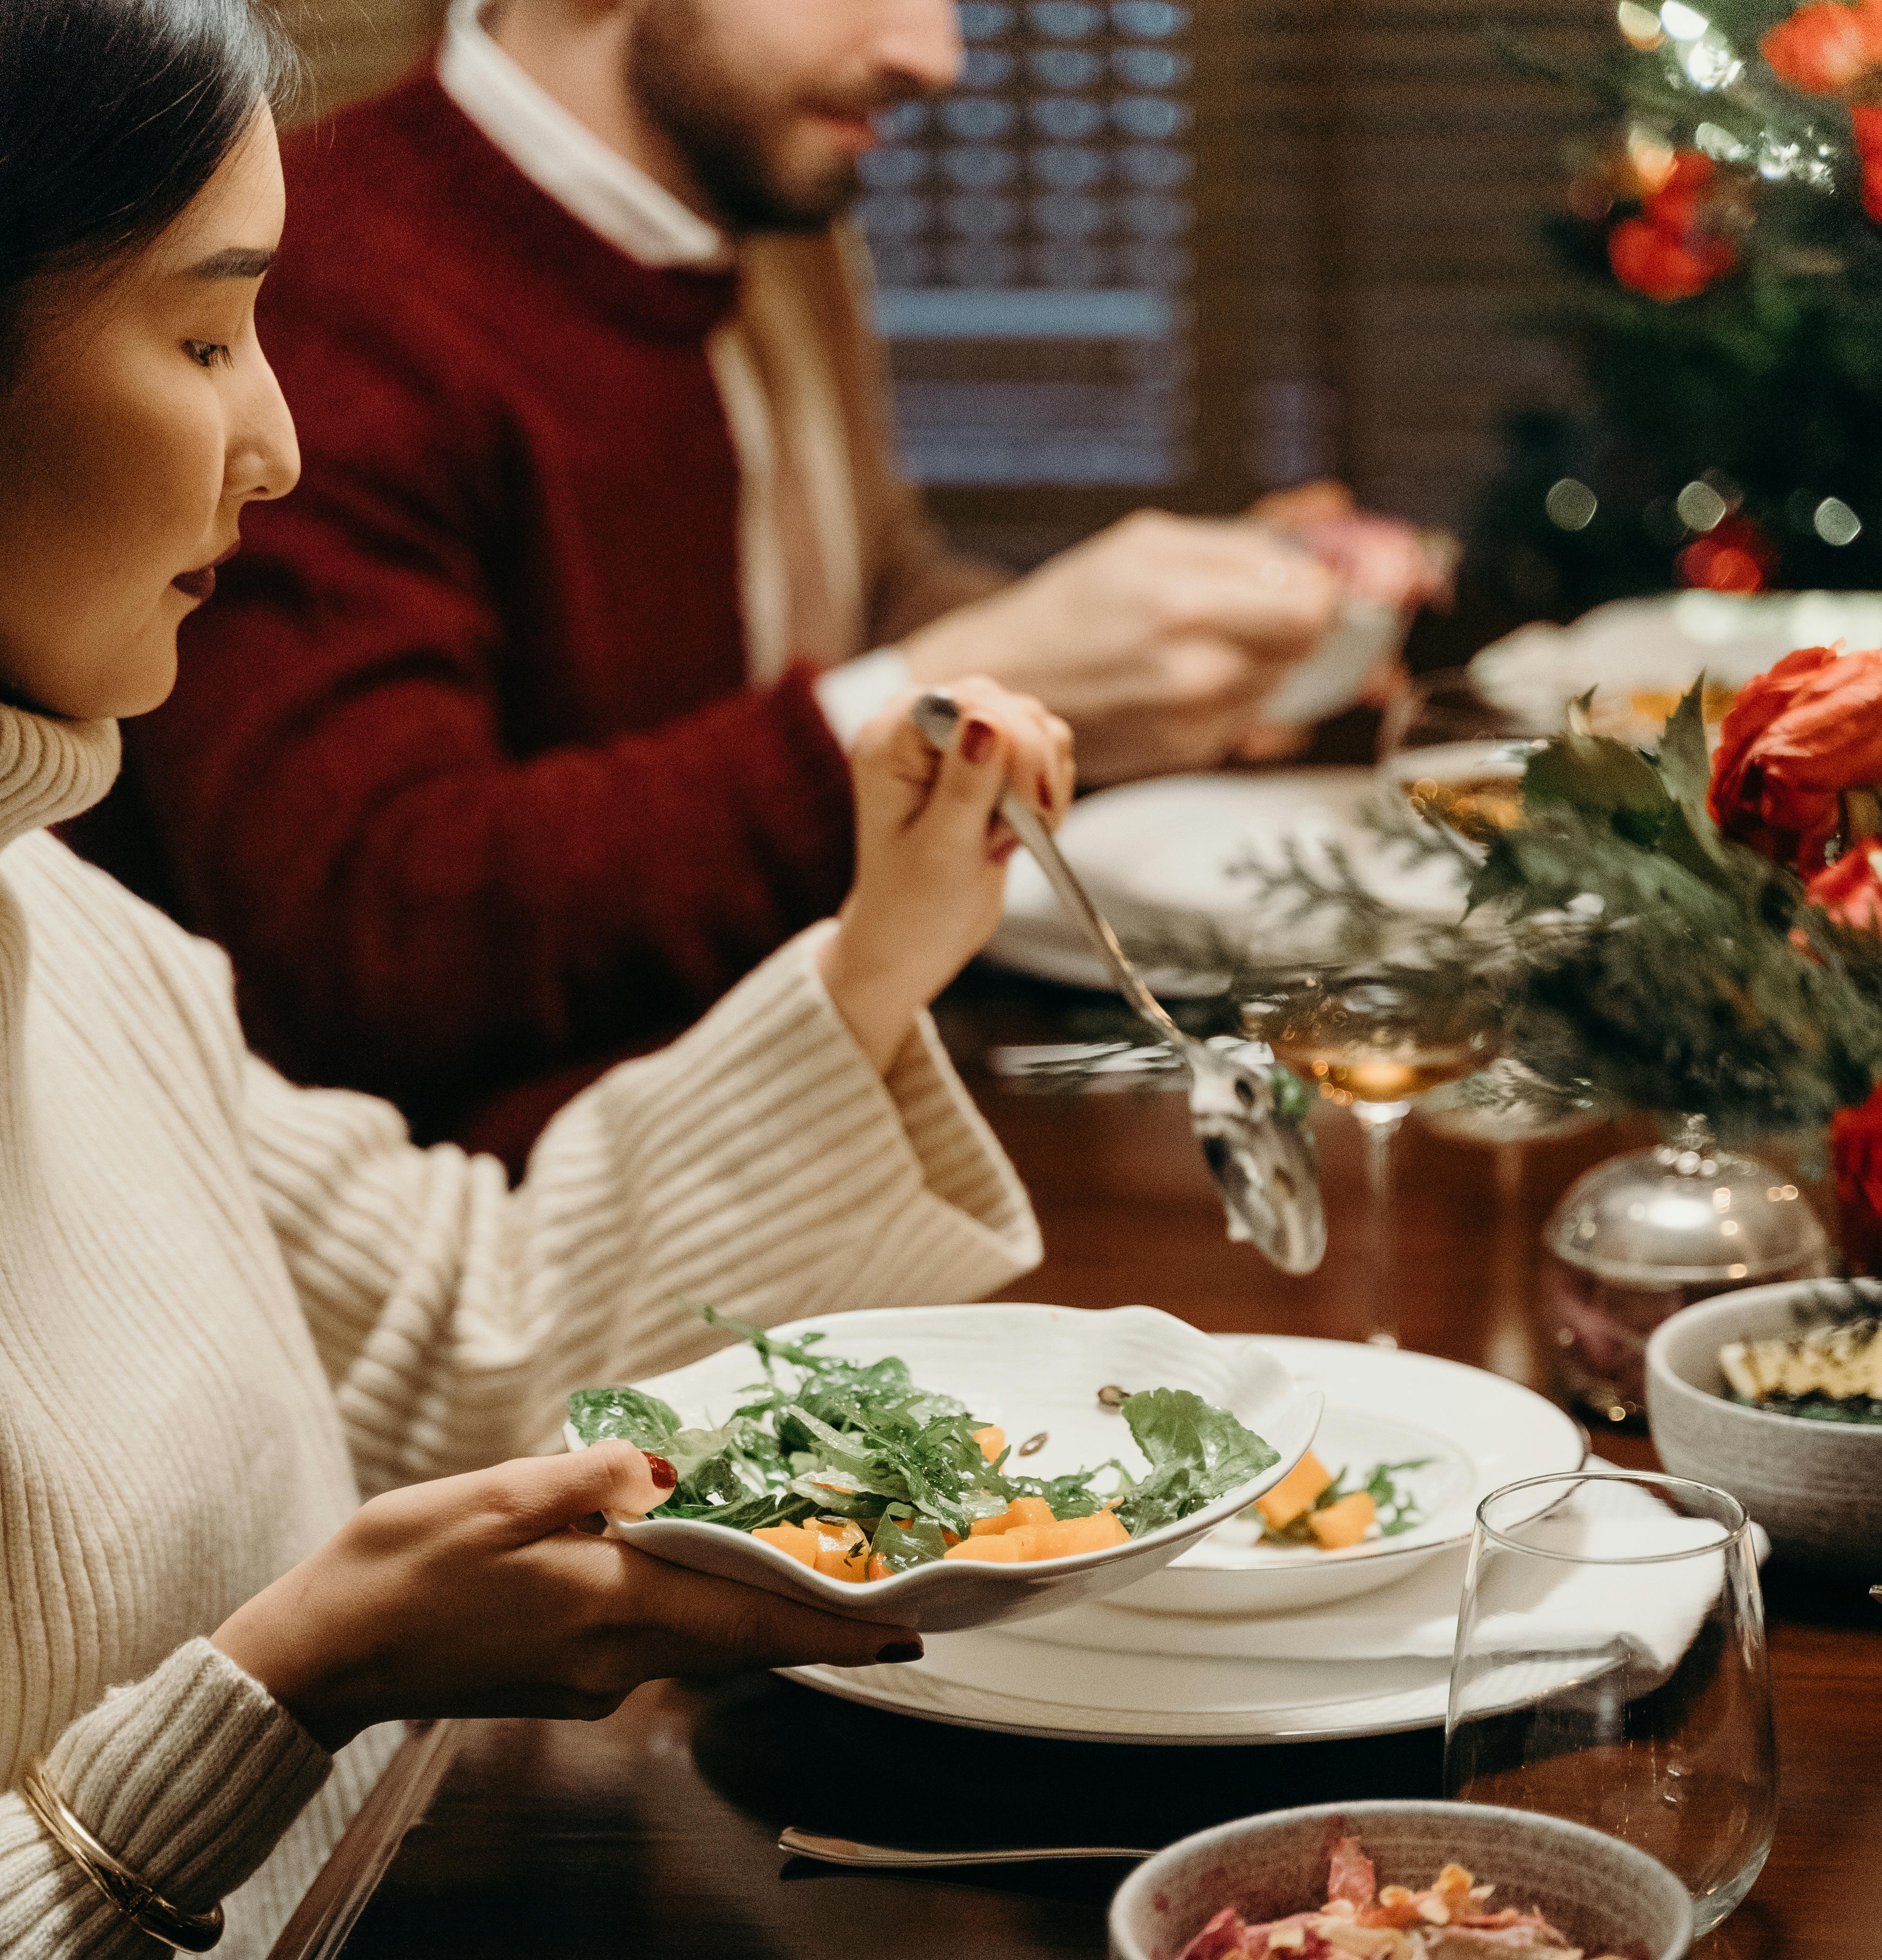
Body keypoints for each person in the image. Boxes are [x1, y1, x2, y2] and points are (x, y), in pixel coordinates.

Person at [0, 0, 1061, 1960]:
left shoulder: (65, 914)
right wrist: (285, 1694)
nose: (278, 444)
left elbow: (464, 1327)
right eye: (201, 334)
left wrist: (871, 972)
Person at [78, 0, 1439, 1162]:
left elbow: (861, 601)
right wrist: (938, 698)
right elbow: (367, 937)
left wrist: (1191, 647)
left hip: (818, 1111)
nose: (936, 51)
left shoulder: (760, 205)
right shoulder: (308, 285)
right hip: (522, 1256)